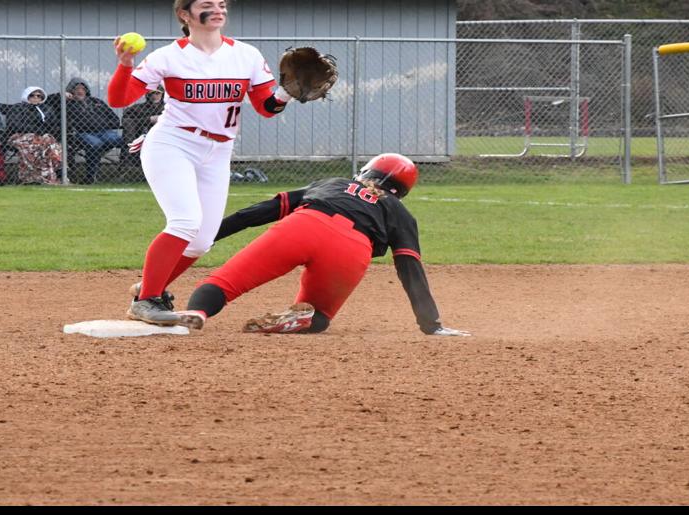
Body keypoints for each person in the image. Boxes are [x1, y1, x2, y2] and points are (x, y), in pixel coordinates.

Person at [108, 0, 290, 327]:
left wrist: (289, 93)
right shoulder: (168, 56)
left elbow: (266, 107)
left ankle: (152, 287)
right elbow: (118, 99)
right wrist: (125, 64)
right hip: (173, 143)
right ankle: (146, 300)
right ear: (184, 14)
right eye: (207, 4)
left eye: (222, 4)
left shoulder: (245, 55)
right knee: (184, 221)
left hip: (217, 152)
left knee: (203, 239)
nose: (219, 9)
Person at [167, 153, 469, 337]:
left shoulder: (333, 183)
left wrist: (209, 235)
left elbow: (258, 212)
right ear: (403, 191)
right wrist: (431, 324)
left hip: (305, 225)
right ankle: (304, 318)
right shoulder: (401, 213)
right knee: (320, 316)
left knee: (225, 283)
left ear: (367, 171)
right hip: (352, 251)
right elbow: (409, 269)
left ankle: (198, 313)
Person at [63, 78, 124, 183]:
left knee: (123, 141)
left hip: (103, 132)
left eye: (83, 88)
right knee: (95, 144)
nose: (80, 91)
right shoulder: (67, 104)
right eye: (77, 88)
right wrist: (63, 96)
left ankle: (125, 172)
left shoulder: (96, 102)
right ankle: (90, 177)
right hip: (82, 133)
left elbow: (115, 120)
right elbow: (71, 123)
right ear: (71, 91)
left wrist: (101, 125)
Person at [3, 86, 64, 184]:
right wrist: (38, 130)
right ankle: (51, 176)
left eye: (39, 96)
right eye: (32, 95)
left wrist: (44, 132)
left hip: (43, 137)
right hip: (21, 136)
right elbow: (15, 124)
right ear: (26, 96)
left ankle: (39, 178)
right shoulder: (18, 107)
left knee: (47, 143)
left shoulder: (47, 109)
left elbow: (54, 125)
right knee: (48, 145)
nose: (36, 98)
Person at [121, 87, 165, 174]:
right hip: (141, 134)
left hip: (164, 135)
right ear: (148, 95)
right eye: (152, 93)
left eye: (157, 93)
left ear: (162, 95)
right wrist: (149, 119)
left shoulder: (168, 108)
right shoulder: (139, 108)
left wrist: (162, 119)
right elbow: (126, 118)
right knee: (129, 124)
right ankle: (129, 166)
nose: (154, 96)